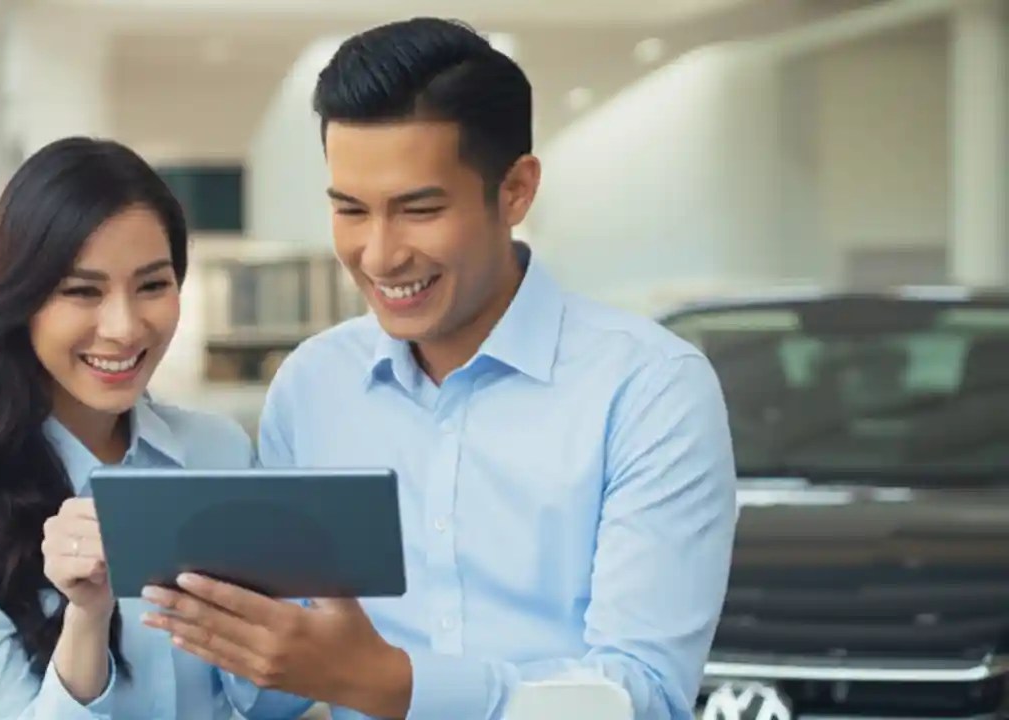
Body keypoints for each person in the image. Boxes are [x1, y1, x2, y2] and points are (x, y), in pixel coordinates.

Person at [141, 17, 738, 720]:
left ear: (515, 190)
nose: (380, 254)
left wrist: (389, 683)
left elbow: (642, 696)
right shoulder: (314, 386)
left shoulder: (650, 389)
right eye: (351, 210)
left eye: (418, 209)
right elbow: (268, 693)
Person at [0, 137, 313, 720]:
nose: (124, 328)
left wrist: (295, 620)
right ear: (21, 302)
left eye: (152, 285)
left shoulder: (216, 448)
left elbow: (270, 706)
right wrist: (88, 615)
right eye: (82, 291)